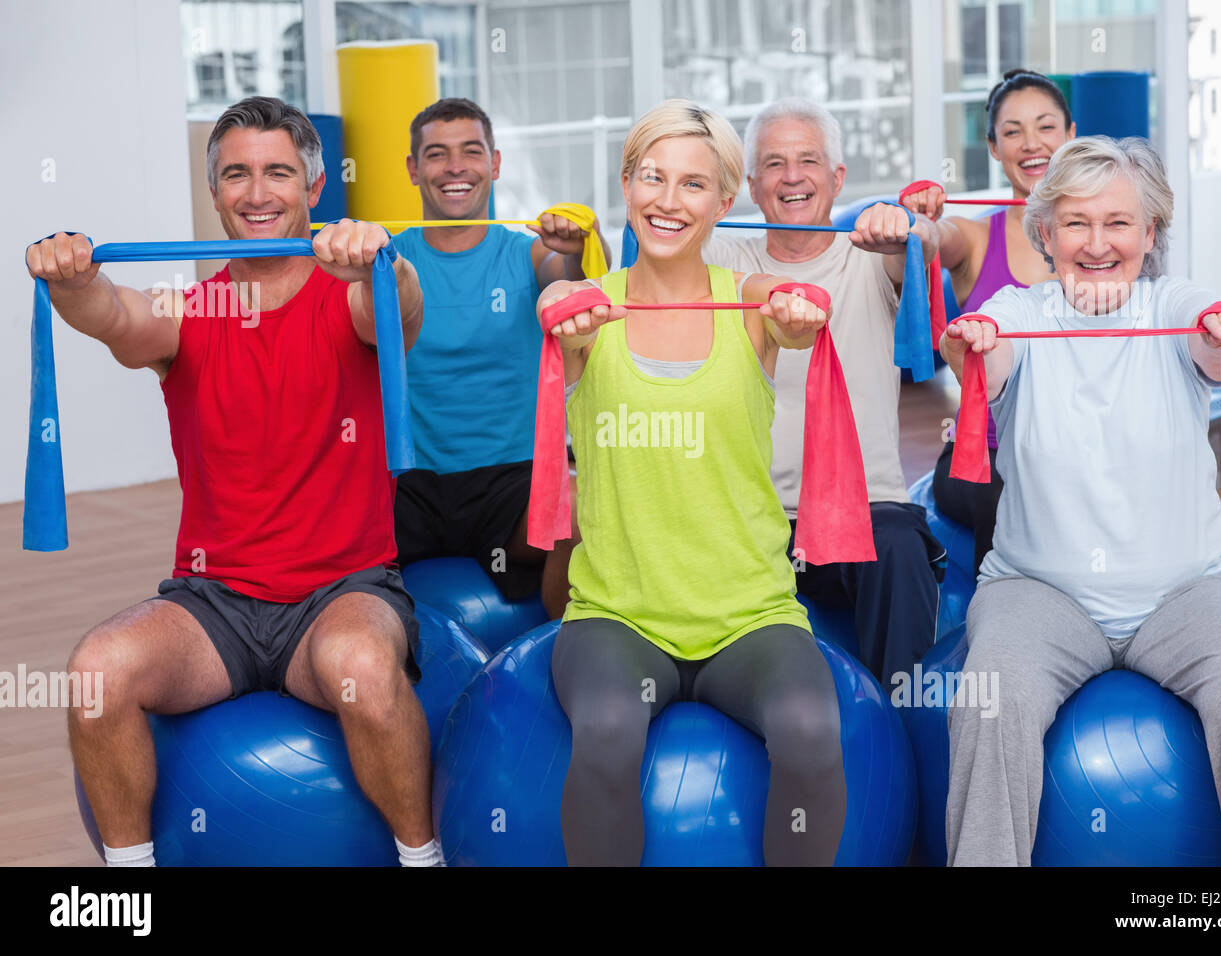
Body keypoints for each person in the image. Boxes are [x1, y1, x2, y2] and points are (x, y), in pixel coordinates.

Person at [30, 97, 439, 867]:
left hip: (340, 593)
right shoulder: (189, 314)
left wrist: (384, 262)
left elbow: (399, 313)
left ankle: (425, 859)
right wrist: (70, 277)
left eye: (278, 173)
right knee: (95, 671)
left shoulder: (353, 297)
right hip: (215, 604)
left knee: (362, 667)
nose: (257, 193)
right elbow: (112, 314)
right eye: (237, 175)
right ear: (213, 193)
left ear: (314, 190)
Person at [941, 135, 1221, 866]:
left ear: (1150, 234)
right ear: (1045, 234)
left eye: (1118, 223)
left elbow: (1208, 332)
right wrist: (972, 345)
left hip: (1187, 592)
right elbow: (987, 354)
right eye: (1076, 222)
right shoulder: (1017, 312)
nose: (1097, 243)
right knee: (989, 697)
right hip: (1039, 593)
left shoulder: (1176, 306)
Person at [539, 100, 847, 866]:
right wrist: (561, 306)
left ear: (723, 200)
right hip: (618, 613)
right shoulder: (591, 309)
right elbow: (554, 305)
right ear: (626, 182)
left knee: (812, 731)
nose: (668, 202)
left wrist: (798, 315)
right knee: (608, 731)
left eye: (693, 185)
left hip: (748, 614)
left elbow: (793, 318)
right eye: (652, 178)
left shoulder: (749, 303)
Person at [703, 97, 944, 685]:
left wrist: (910, 227)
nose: (792, 177)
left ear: (836, 179)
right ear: (752, 186)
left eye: (808, 161)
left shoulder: (870, 257)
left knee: (898, 549)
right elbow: (658, 246)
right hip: (752, 520)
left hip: (866, 513)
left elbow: (926, 244)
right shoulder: (724, 256)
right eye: (775, 164)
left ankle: (905, 733)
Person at [393, 97, 609, 617]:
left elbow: (577, 288)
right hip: (410, 484)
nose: (455, 167)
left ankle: (564, 653)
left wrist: (582, 246)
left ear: (494, 162)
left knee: (582, 512)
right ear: (413, 169)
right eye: (437, 154)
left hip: (511, 484)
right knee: (331, 526)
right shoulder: (391, 262)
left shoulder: (531, 255)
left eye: (471, 151)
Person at [905, 69, 1076, 573]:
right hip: (982, 459)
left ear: (1070, 135)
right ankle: (1000, 625)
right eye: (1012, 131)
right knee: (1012, 487)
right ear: (993, 147)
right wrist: (920, 222)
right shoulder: (976, 238)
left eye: (1045, 127)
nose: (1031, 144)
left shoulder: (1100, 241)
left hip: (1075, 449)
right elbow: (938, 238)